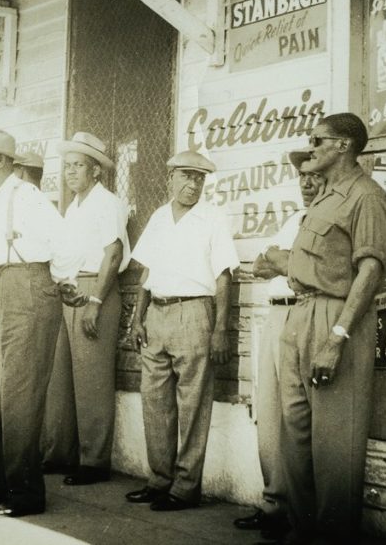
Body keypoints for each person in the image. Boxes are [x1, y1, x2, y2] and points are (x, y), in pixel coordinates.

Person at [0, 127, 85, 518]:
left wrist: (63, 280)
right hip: (9, 285)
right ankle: (4, 478)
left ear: (0, 161)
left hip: (30, 286)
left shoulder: (25, 196)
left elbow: (66, 243)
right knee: (8, 391)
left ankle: (25, 492)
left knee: (22, 392)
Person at [279, 113, 386, 544]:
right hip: (301, 314)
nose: (312, 147)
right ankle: (302, 531)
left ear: (343, 146)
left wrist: (338, 337)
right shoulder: (324, 198)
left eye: (318, 139)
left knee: (335, 443)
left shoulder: (366, 195)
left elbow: (369, 271)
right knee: (297, 431)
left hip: (335, 319)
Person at [126, 150, 239, 512]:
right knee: (154, 401)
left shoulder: (213, 218)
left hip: (194, 312)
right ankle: (159, 480)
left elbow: (224, 276)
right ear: (170, 178)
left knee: (192, 404)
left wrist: (221, 328)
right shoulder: (159, 217)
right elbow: (147, 274)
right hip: (157, 311)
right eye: (186, 177)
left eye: (199, 179)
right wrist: (136, 317)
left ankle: (185, 487)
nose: (193, 185)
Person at [232, 160, 322, 540]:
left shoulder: (324, 221)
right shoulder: (295, 219)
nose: (307, 182)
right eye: (302, 176)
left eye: (315, 175)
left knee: (297, 420)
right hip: (274, 315)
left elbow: (295, 268)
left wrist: (280, 262)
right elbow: (260, 264)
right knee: (268, 414)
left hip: (302, 314)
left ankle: (301, 514)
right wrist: (276, 260)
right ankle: (274, 503)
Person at [42, 132, 129, 486]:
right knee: (60, 377)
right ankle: (58, 453)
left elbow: (114, 253)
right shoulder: (74, 206)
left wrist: (95, 301)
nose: (71, 172)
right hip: (70, 289)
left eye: (78, 166)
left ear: (95, 171)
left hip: (96, 289)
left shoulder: (106, 202)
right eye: (67, 166)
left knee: (92, 378)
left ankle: (94, 462)